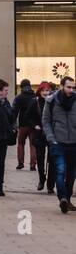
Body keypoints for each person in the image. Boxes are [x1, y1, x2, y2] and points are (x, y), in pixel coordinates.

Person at [43, 77, 76, 213]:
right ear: (62, 86)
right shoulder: (51, 101)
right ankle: (62, 197)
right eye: (68, 87)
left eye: (73, 87)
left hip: (74, 143)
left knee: (72, 174)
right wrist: (51, 138)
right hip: (58, 142)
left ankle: (67, 199)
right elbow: (46, 121)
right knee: (60, 170)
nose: (71, 90)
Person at [13, 79, 41, 174]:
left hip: (23, 125)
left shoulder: (19, 97)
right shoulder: (34, 97)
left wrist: (13, 123)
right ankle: (33, 165)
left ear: (21, 87)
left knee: (21, 143)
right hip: (33, 125)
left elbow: (15, 111)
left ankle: (20, 163)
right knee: (33, 145)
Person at [33, 83, 54, 194]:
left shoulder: (53, 102)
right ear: (39, 92)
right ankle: (42, 178)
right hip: (39, 135)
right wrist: (34, 125)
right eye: (43, 91)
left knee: (52, 160)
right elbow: (28, 116)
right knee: (40, 159)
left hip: (51, 135)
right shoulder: (35, 102)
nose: (46, 93)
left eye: (48, 90)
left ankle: (51, 184)